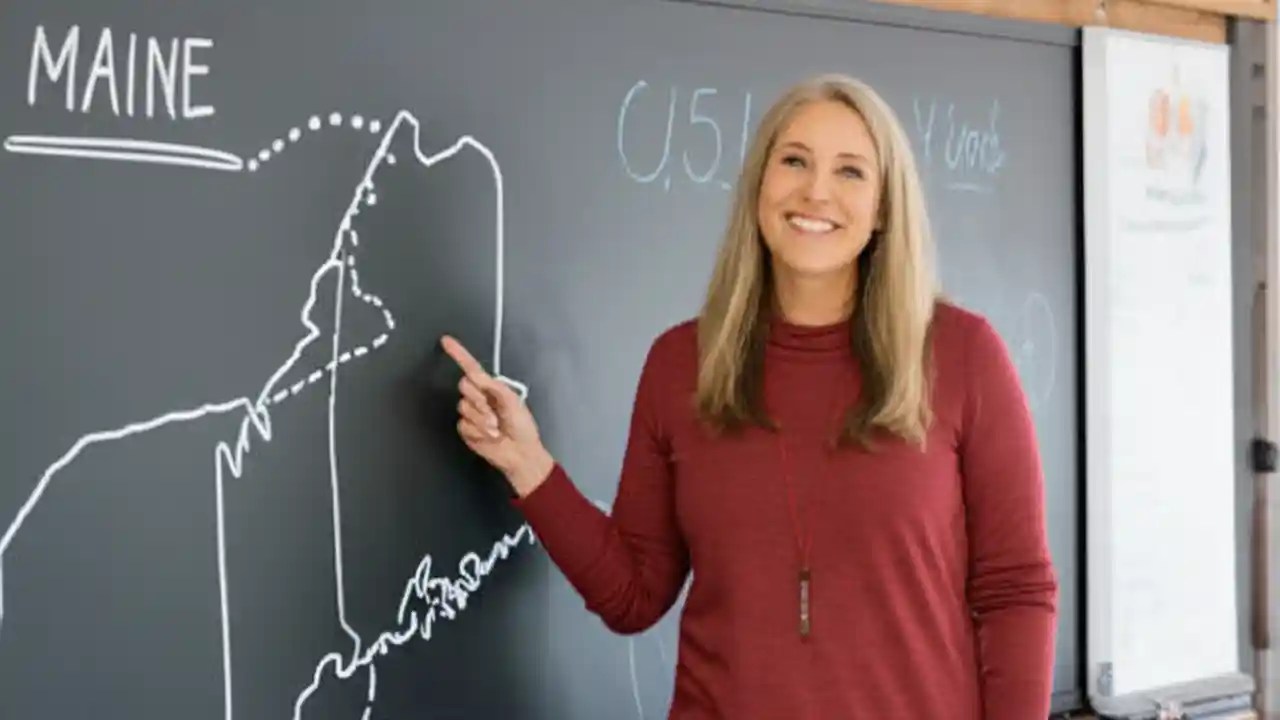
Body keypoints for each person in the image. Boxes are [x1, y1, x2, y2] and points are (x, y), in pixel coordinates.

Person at [440, 73, 1058, 719]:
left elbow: (1016, 589)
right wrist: (528, 466)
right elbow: (633, 596)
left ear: (883, 208)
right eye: (794, 161)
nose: (815, 191)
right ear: (759, 186)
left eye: (850, 172)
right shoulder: (681, 364)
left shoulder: (962, 355)